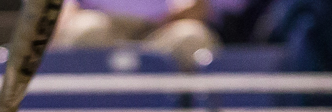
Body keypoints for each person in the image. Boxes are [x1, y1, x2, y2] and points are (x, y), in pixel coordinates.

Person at [53, 0, 220, 68]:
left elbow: (198, 10)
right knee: (88, 28)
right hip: (100, 28)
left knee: (191, 35)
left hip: (157, 30)